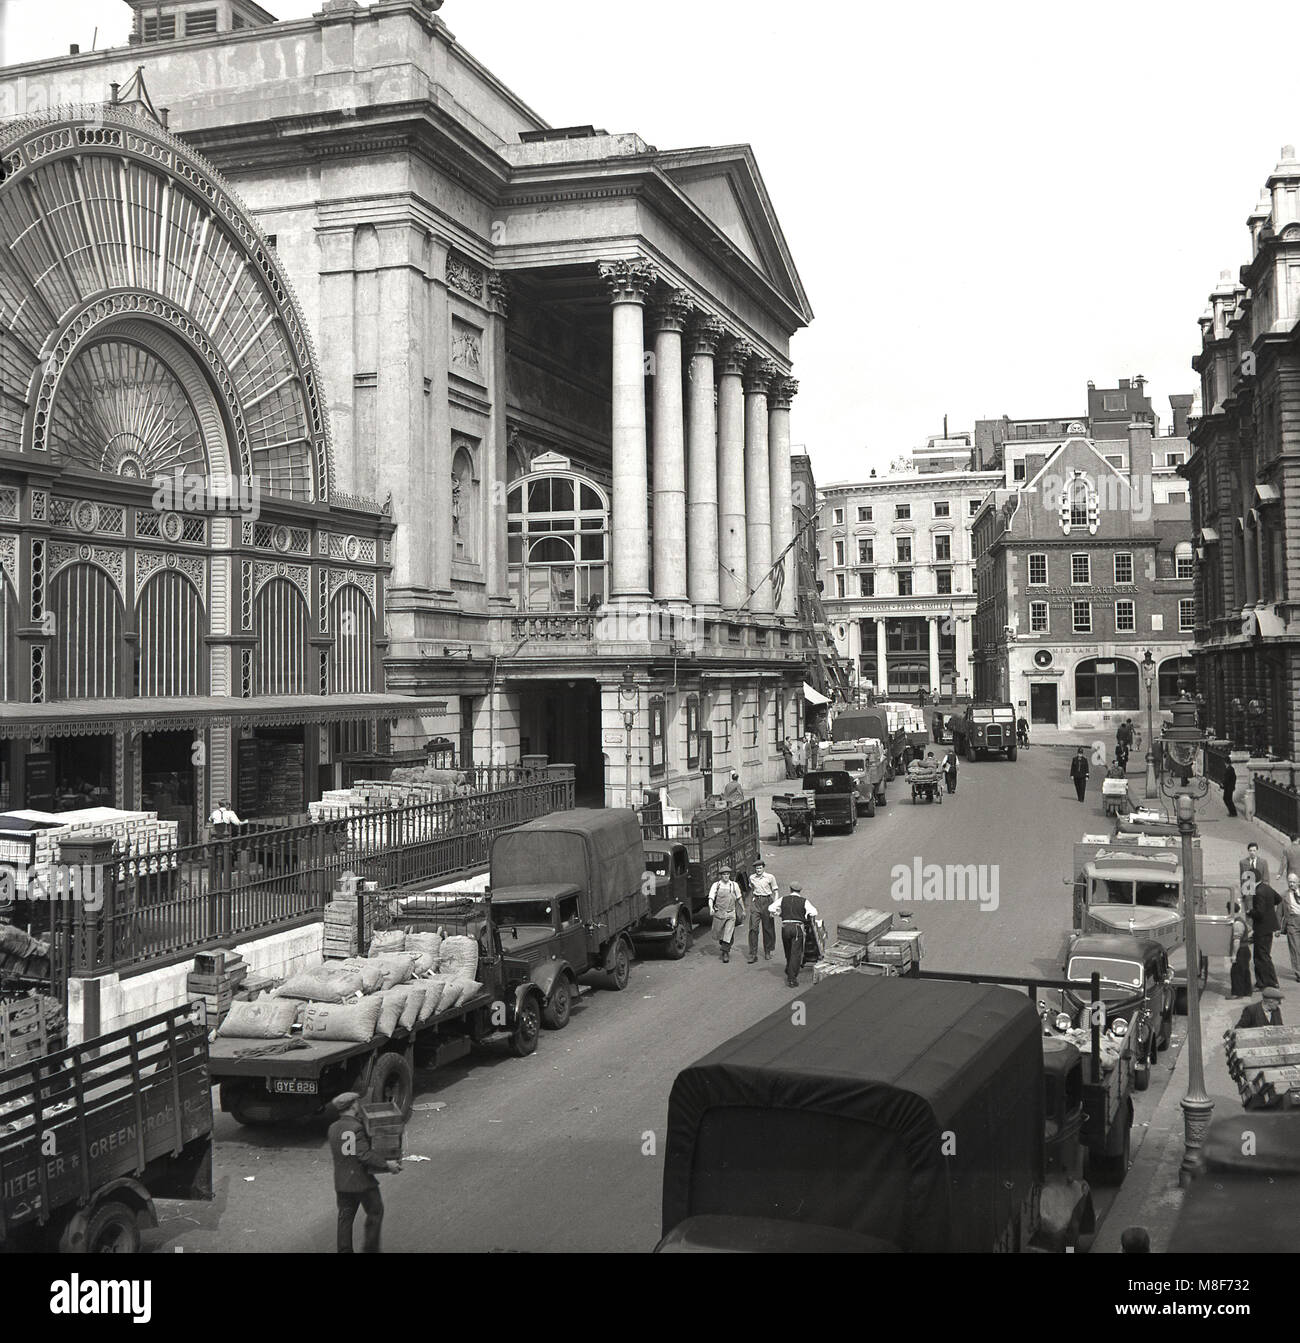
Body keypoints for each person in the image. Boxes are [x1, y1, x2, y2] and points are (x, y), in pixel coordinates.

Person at [328, 1091, 401, 1254]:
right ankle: (370, 1249)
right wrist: (387, 1165)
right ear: (352, 1106)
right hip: (361, 1182)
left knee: (345, 1218)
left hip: (342, 1183)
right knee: (375, 1211)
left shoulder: (332, 1128)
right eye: (356, 1103)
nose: (358, 1105)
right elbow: (364, 1155)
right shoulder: (356, 1128)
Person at [770, 881, 819, 988]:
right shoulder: (804, 901)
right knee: (795, 953)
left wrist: (779, 913)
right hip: (797, 928)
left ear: (790, 889)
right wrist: (805, 915)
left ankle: (789, 968)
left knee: (788, 950)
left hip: (785, 927)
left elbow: (771, 908)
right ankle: (792, 979)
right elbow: (814, 912)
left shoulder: (783, 899)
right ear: (799, 891)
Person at [1250, 879, 1284, 991]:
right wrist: (1269, 908)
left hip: (1261, 928)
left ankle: (1268, 982)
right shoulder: (1267, 887)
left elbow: (1259, 913)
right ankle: (1266, 982)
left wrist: (1250, 912)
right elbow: (1278, 899)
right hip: (1269, 927)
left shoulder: (1258, 892)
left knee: (1261, 956)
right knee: (1263, 955)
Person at [707, 865, 745, 964]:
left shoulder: (734, 885)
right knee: (719, 933)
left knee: (729, 932)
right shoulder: (716, 885)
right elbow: (711, 898)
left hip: (731, 913)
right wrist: (711, 908)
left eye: (727, 874)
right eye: (724, 874)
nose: (726, 876)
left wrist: (743, 909)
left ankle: (725, 952)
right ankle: (724, 945)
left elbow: (739, 898)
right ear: (721, 876)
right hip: (719, 914)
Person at [746, 858, 779, 963]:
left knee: (768, 928)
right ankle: (753, 954)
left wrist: (775, 905)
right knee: (753, 928)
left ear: (763, 868)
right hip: (756, 902)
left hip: (767, 902)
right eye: (757, 868)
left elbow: (776, 892)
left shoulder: (770, 877)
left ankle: (767, 951)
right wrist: (752, 900)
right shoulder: (752, 877)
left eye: (760, 868)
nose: (758, 870)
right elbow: (752, 888)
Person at [1229, 903, 1253, 999]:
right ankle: (1247, 991)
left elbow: (1236, 941)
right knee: (1245, 971)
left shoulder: (1237, 924)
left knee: (1236, 972)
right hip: (1246, 949)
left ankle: (1237, 993)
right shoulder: (1241, 920)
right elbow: (1251, 930)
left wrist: (1234, 955)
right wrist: (1246, 938)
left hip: (1241, 950)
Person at [1282, 872, 1300, 984]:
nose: (1291, 884)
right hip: (1292, 922)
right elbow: (1279, 912)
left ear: (1298, 882)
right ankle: (1298, 973)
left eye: (1293, 882)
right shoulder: (1284, 895)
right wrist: (1277, 928)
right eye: (1289, 882)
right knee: (1295, 948)